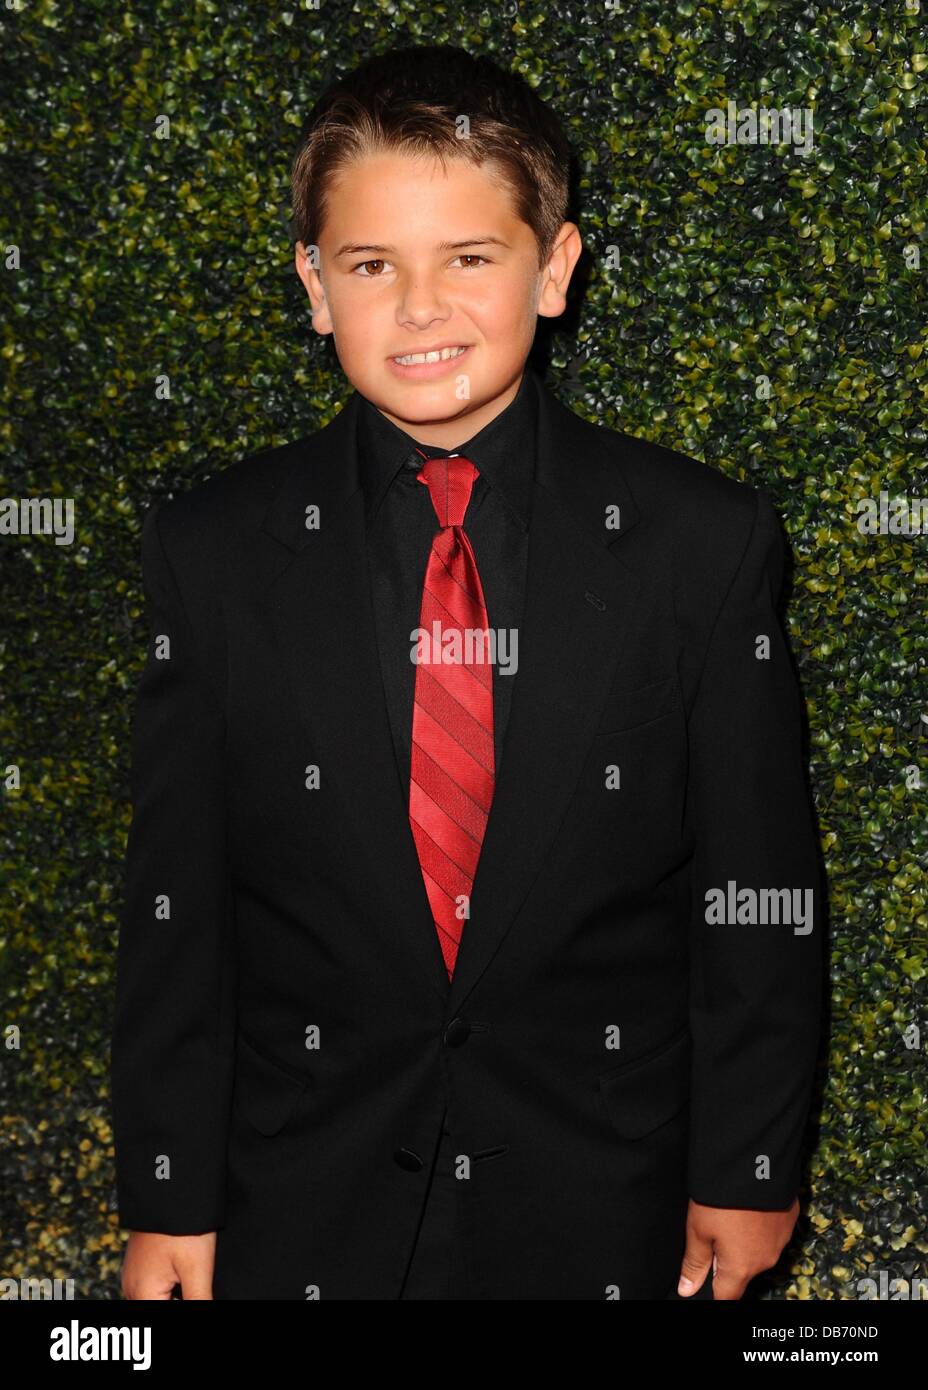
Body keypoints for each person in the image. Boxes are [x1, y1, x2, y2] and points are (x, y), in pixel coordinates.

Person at [112, 43, 823, 1301]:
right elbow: (179, 907)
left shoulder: (698, 543)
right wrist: (169, 1188)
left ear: (554, 270)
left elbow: (754, 886)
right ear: (314, 286)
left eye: (471, 259)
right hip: (299, 1196)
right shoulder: (213, 551)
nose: (420, 308)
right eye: (372, 265)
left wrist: (750, 1163)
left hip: (609, 1195)